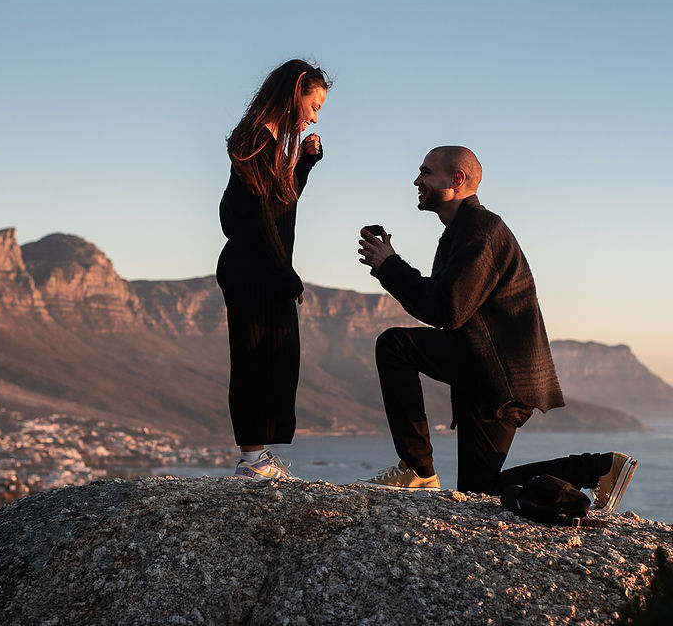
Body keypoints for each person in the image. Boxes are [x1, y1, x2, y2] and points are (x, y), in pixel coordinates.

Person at [356, 145, 637, 512]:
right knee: (479, 492)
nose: (417, 180)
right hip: (484, 374)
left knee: (395, 346)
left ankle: (417, 470)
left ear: (456, 180)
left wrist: (390, 266)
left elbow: (448, 309)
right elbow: (446, 302)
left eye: (425, 172)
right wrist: (390, 263)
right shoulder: (462, 231)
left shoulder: (481, 232)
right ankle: (602, 469)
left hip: (498, 375)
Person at [217, 59, 331, 480]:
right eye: (313, 105)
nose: (314, 116)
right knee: (253, 359)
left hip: (266, 265)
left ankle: (258, 456)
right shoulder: (253, 139)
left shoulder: (273, 145)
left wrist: (303, 163)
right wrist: (284, 273)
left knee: (277, 358)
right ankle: (252, 460)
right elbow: (259, 214)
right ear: (294, 91)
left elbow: (281, 203)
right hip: (252, 267)